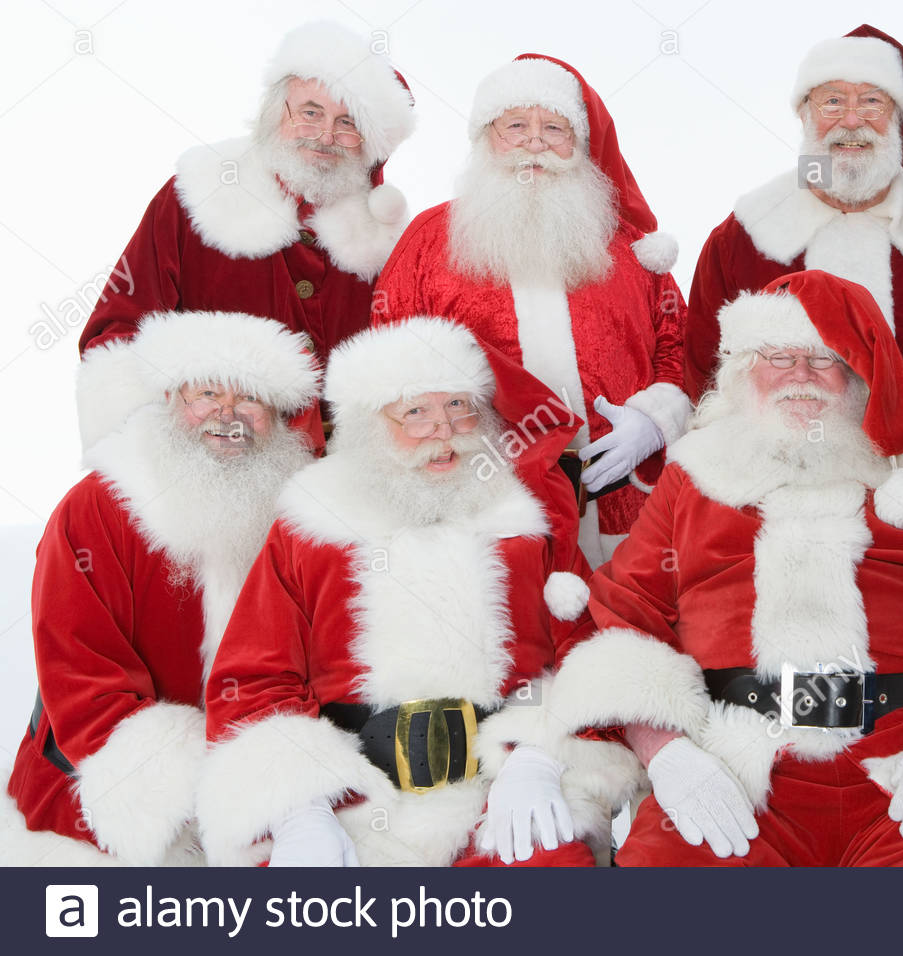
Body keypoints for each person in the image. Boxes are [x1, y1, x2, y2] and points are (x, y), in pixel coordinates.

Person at [540, 270, 903, 866]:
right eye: (780, 356)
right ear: (746, 369)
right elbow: (622, 619)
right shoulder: (693, 477)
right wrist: (667, 754)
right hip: (738, 769)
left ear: (858, 373)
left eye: (824, 359)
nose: (800, 375)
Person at [197, 317, 640, 866]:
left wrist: (538, 758)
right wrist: (299, 809)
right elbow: (256, 679)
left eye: (458, 406)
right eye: (415, 412)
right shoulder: (311, 523)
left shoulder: (523, 519)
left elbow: (588, 651)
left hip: (499, 790)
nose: (444, 429)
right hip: (353, 803)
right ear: (368, 428)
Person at [2, 312, 318, 865]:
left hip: (265, 789)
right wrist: (206, 794)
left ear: (276, 415)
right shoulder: (98, 508)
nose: (227, 414)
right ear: (172, 397)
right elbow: (82, 682)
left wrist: (285, 788)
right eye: (208, 392)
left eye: (250, 399)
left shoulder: (304, 516)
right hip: (102, 788)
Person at [372, 54, 689, 568]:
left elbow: (682, 347)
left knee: (627, 637)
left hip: (627, 512)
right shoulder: (430, 242)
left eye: (555, 127)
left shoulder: (633, 250)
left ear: (580, 143)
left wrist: (656, 422)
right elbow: (388, 370)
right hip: (480, 502)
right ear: (485, 138)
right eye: (515, 125)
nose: (535, 141)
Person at [77, 21, 415, 450]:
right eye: (310, 112)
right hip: (215, 456)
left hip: (343, 471)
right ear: (277, 112)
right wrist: (163, 445)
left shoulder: (389, 235)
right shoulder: (199, 195)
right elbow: (116, 332)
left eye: (347, 122)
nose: (327, 135)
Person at [685, 24, 903, 457]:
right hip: (777, 474)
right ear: (804, 114)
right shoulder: (743, 236)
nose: (851, 121)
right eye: (832, 101)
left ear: (899, 118)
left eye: (872, 101)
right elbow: (704, 370)